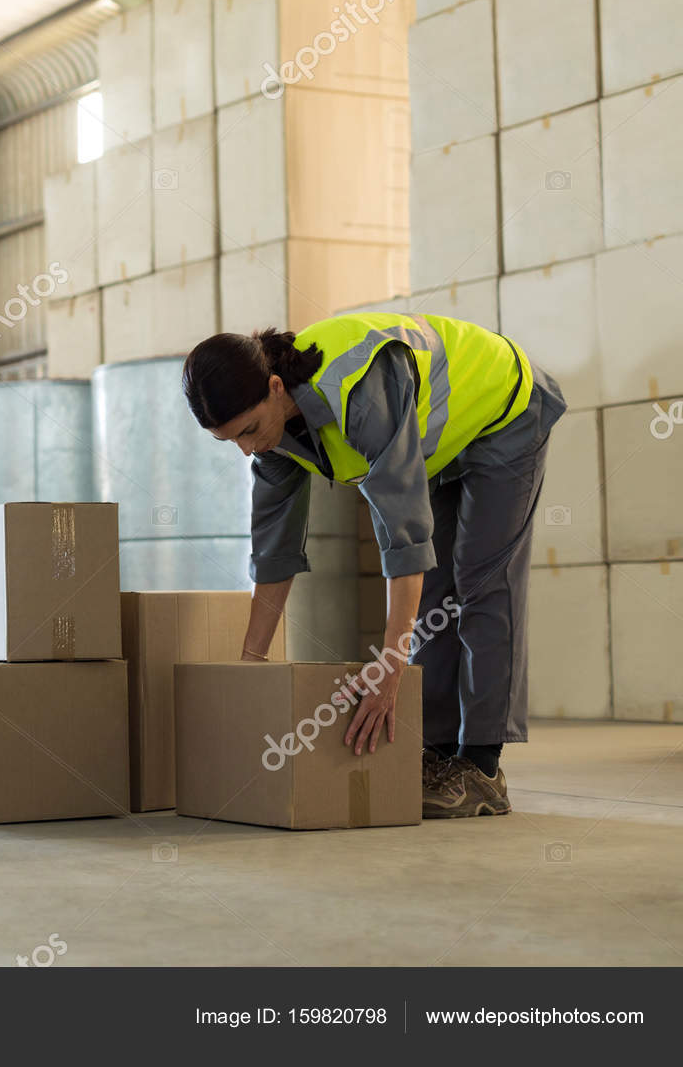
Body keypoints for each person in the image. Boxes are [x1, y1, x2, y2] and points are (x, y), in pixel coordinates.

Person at [181, 312, 564, 818]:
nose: (247, 448)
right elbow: (273, 551)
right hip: (441, 438)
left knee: (481, 583)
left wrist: (390, 667)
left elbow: (401, 536)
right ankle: (443, 751)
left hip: (505, 406)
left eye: (248, 430)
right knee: (434, 600)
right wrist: (249, 672)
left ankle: (483, 767)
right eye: (229, 441)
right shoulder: (272, 438)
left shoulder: (359, 391)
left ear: (275, 387)